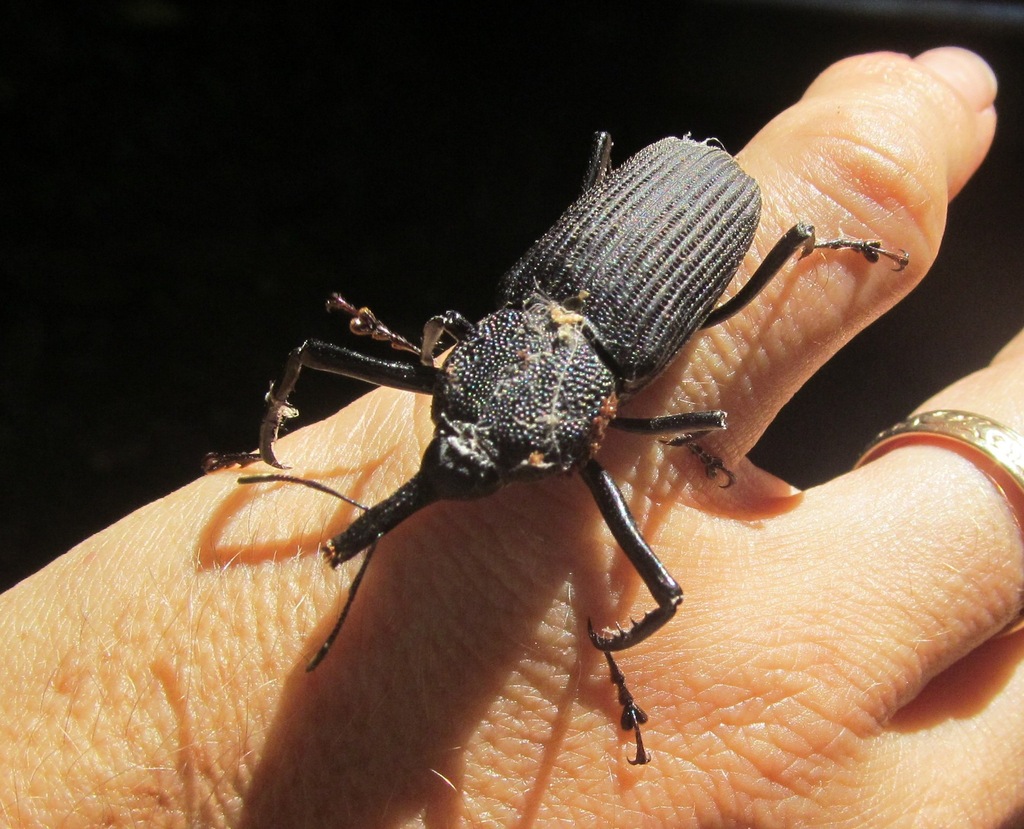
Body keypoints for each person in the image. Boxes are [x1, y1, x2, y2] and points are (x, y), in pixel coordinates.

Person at [1, 47, 1016, 827]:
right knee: (342, 356)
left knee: (737, 309)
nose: (444, 472)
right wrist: (283, 452)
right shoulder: (507, 356)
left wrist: (609, 644)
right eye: (456, 435)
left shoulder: (591, 380)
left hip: (683, 227)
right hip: (586, 278)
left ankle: (815, 238)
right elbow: (329, 357)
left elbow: (661, 596)